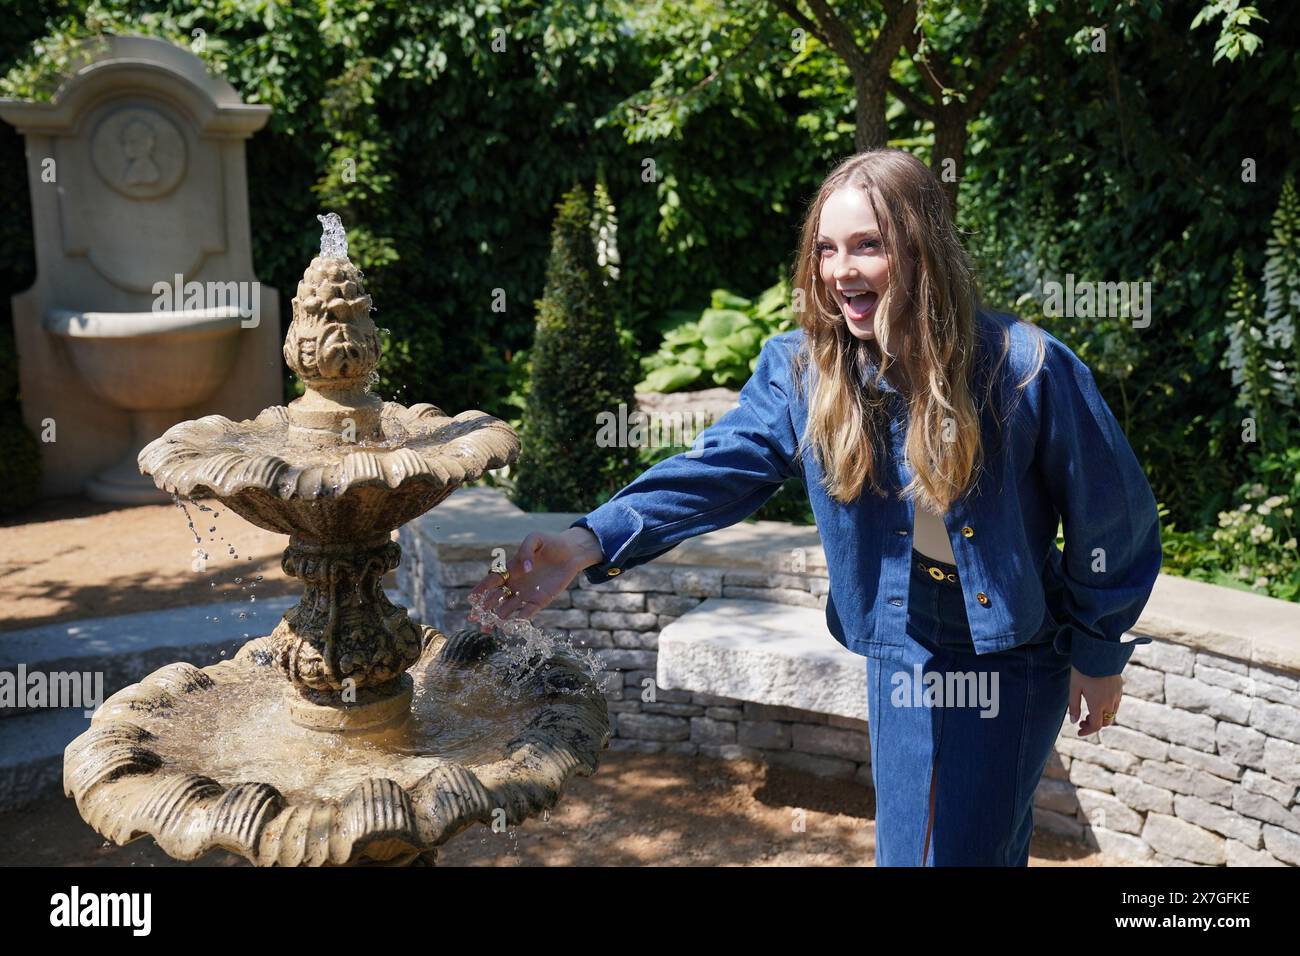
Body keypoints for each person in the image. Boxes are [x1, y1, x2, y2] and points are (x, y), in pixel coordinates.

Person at [468, 147, 1162, 866]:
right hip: (903, 641)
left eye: (868, 246)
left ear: (922, 249)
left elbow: (1111, 518)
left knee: (965, 851)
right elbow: (719, 468)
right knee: (915, 850)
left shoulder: (1026, 367)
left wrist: (1099, 650)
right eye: (827, 250)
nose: (841, 271)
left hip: (1010, 654)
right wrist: (588, 540)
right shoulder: (803, 370)